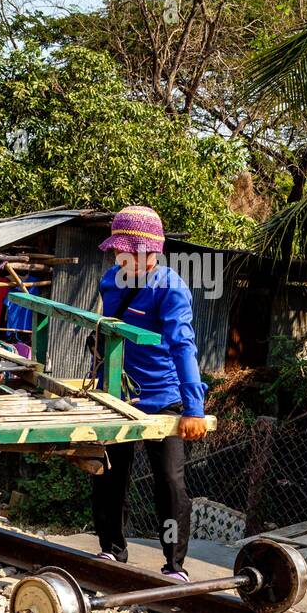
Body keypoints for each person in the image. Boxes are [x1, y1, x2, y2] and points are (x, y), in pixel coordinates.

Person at [90, 206, 208, 581]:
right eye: (116, 252)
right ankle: (111, 548)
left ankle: (175, 565)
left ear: (149, 252)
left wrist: (195, 408)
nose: (117, 258)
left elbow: (183, 346)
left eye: (125, 252)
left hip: (165, 397)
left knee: (170, 483)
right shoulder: (111, 281)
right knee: (109, 474)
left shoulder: (171, 289)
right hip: (118, 393)